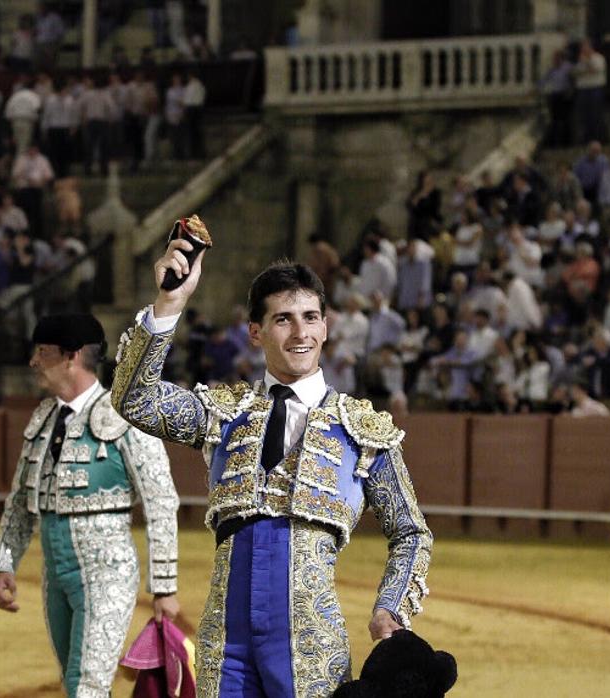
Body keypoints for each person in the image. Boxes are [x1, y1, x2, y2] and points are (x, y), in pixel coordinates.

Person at [111, 218, 433, 695]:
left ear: (326, 327)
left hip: (310, 642)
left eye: (309, 317)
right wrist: (169, 304)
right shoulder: (225, 413)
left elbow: (410, 530)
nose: (299, 332)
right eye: (283, 319)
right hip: (227, 641)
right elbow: (134, 399)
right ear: (257, 333)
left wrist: (391, 608)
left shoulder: (363, 431)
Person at [0, 312, 180, 698]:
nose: (33, 362)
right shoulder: (44, 417)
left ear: (71, 356)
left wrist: (164, 586)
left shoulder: (122, 415)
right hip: (55, 575)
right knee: (76, 682)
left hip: (107, 571)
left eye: (41, 352)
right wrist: (4, 563)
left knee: (88, 687)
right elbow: (21, 500)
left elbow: (160, 501)